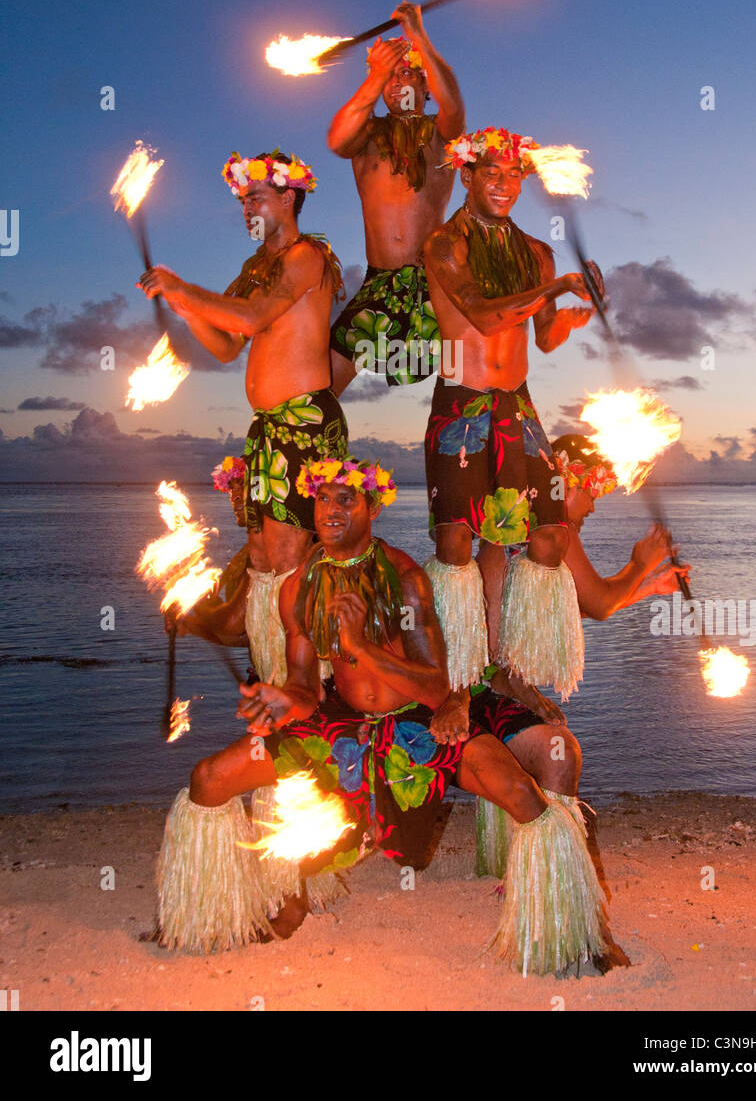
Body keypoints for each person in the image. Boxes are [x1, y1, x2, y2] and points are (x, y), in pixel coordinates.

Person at [153, 459, 617, 977]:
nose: (331, 510)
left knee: (524, 796)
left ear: (372, 507)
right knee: (209, 779)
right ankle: (208, 920)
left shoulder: (404, 578)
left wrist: (359, 648)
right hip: (337, 723)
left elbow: (434, 686)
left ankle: (572, 932)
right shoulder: (298, 587)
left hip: (419, 722)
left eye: (345, 500)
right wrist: (285, 699)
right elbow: (307, 684)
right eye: (323, 499)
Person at [138, 149, 346, 685]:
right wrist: (184, 306)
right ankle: (272, 673)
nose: (246, 205)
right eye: (242, 199)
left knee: (288, 557)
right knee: (261, 557)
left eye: (256, 196)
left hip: (303, 425)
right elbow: (228, 344)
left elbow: (254, 318)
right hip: (268, 431)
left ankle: (307, 684)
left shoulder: (306, 257)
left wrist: (187, 290)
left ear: (288, 197)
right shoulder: (254, 269)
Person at [420, 128, 595, 742]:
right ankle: (455, 684)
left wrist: (573, 315)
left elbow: (542, 336)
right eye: (490, 170)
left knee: (542, 537)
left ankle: (507, 667)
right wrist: (553, 290)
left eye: (514, 173)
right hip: (461, 404)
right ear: (466, 176)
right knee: (457, 549)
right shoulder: (444, 243)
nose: (503, 181)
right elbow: (485, 313)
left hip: (517, 408)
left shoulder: (536, 253)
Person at [466, 434, 689, 893]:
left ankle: (526, 864)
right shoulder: (554, 529)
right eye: (593, 493)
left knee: (552, 731)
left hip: (481, 684)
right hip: (479, 694)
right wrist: (640, 561)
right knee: (560, 750)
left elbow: (572, 608)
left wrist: (649, 587)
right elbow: (601, 603)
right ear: (566, 483)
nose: (592, 508)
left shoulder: (516, 525)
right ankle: (548, 883)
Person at [327, 1, 465, 390]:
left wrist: (418, 35)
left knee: (465, 378)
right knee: (324, 382)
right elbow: (337, 141)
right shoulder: (367, 136)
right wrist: (377, 74)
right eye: (393, 77)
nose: (399, 81)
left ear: (425, 88)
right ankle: (322, 452)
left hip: (435, 283)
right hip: (378, 283)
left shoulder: (441, 137)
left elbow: (454, 108)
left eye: (410, 74)